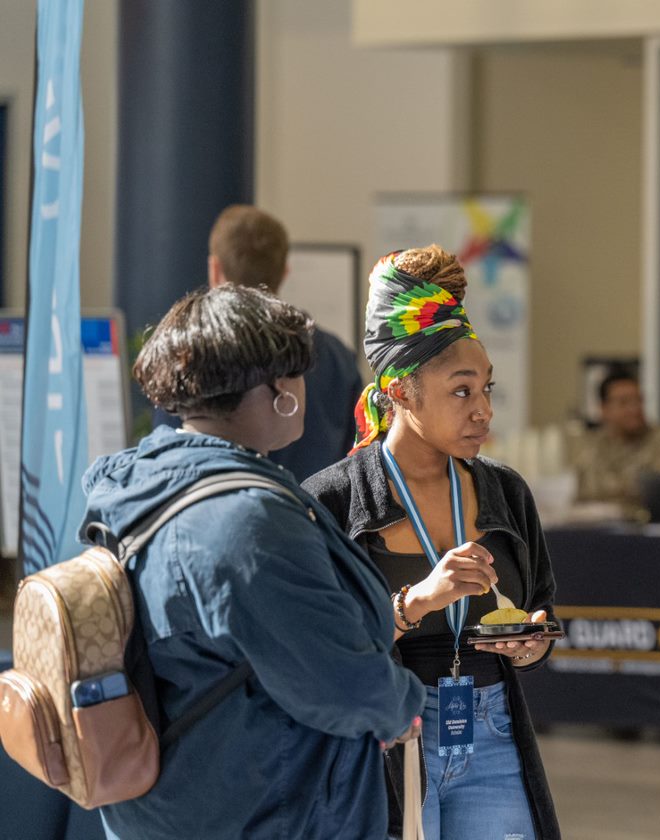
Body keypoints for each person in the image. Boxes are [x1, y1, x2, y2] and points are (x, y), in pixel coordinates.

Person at [81, 285, 426, 839]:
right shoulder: (249, 522)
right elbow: (339, 683)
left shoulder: (138, 485)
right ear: (278, 390)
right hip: (265, 808)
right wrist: (407, 705)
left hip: (172, 802)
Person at [304, 246, 561, 840]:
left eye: (488, 390)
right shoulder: (332, 500)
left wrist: (530, 647)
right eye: (462, 392)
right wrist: (415, 602)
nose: (484, 412)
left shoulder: (505, 492)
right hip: (390, 737)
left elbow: (545, 609)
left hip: (493, 730)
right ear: (400, 391)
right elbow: (319, 649)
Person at [156, 205, 362, 481]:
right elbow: (358, 456)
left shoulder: (195, 352)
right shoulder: (336, 357)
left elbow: (170, 455)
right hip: (318, 518)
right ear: (285, 271)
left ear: (215, 268)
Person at [570, 370, 660, 516]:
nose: (634, 409)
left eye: (638, 401)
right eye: (624, 402)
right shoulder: (592, 447)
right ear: (604, 409)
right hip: (601, 531)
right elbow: (583, 497)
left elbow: (656, 491)